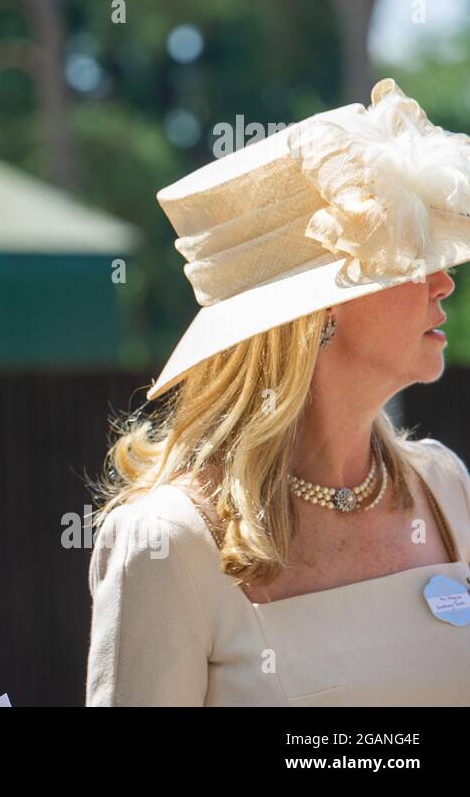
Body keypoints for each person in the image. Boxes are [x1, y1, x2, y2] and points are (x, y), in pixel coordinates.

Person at [87, 79, 470, 705]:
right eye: (411, 256)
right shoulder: (168, 541)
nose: (445, 284)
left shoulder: (446, 488)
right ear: (320, 311)